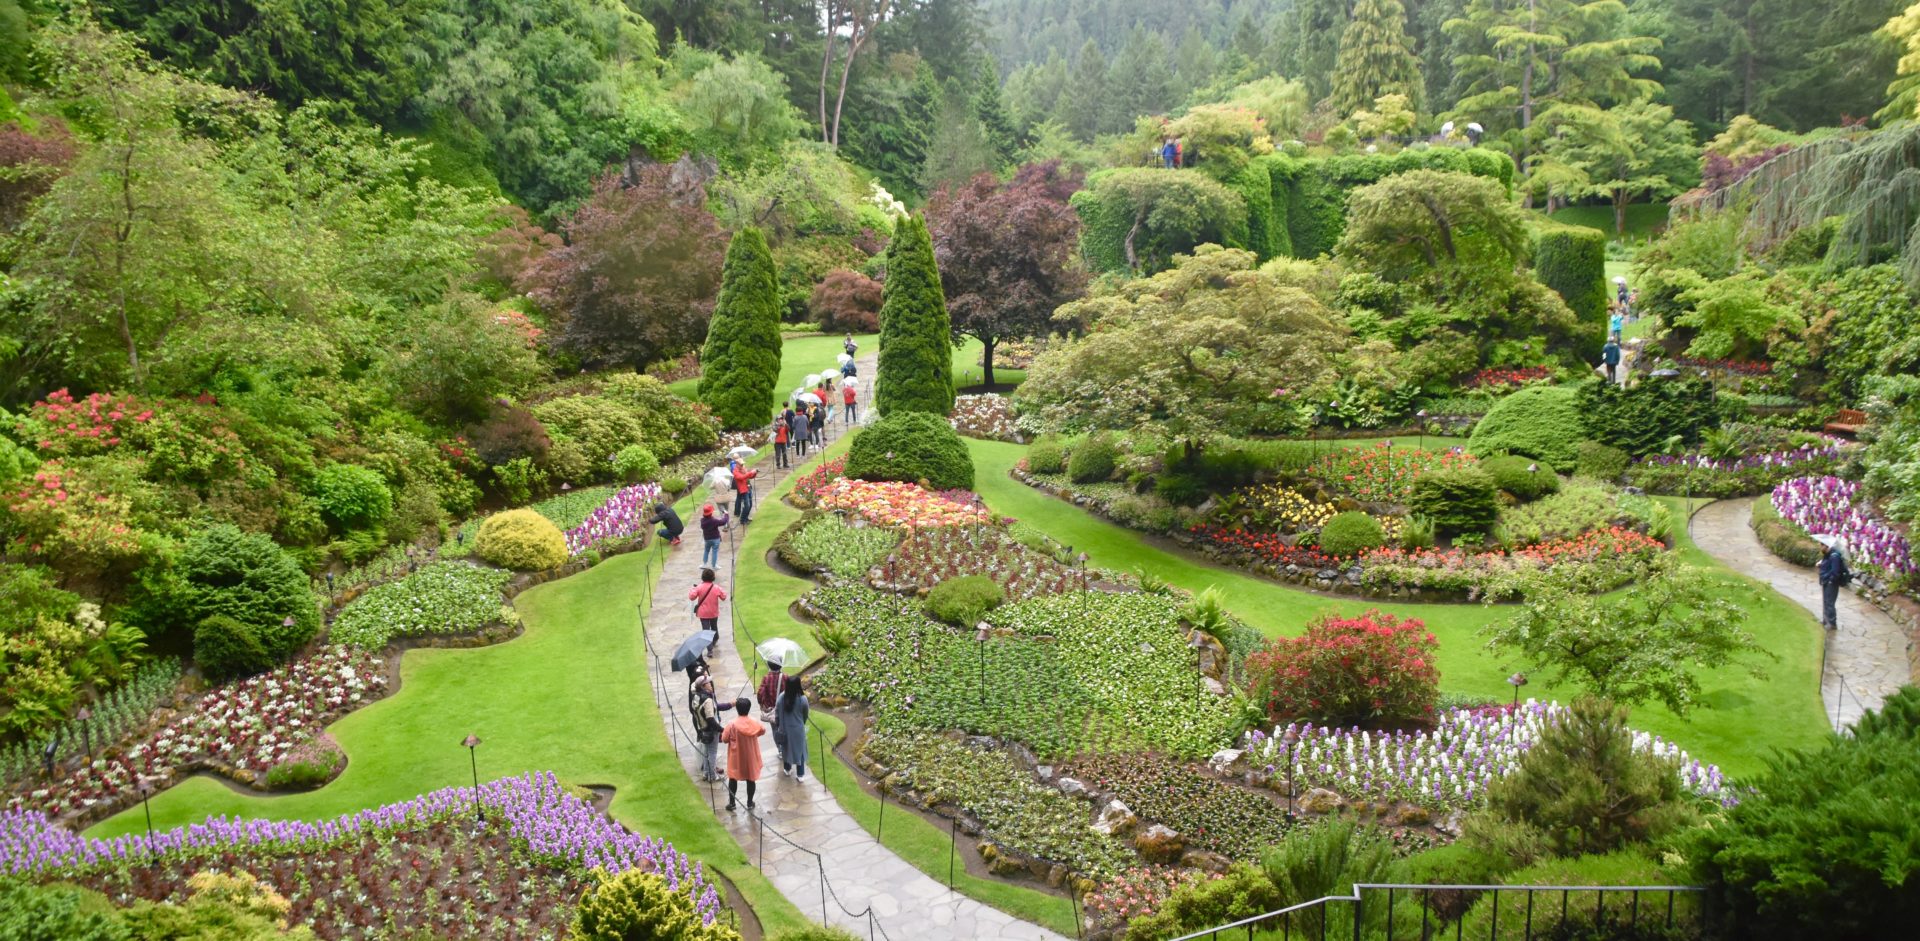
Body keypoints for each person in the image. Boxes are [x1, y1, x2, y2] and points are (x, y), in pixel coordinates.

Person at [721, 696, 765, 811]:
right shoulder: (754, 722)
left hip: (736, 757)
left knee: (733, 779)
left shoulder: (732, 724)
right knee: (751, 779)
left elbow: (724, 739)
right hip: (751, 756)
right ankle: (750, 803)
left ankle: (732, 803)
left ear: (737, 709)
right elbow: (762, 730)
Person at [775, 675, 811, 779]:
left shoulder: (781, 697)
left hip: (784, 729)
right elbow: (805, 714)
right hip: (798, 730)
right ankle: (800, 775)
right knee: (800, 751)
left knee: (786, 749)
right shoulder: (803, 699)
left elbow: (777, 713)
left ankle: (787, 769)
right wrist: (801, 723)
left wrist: (778, 724)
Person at [691, 674, 723, 781]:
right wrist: (721, 729)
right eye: (708, 683)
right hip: (710, 730)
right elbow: (710, 719)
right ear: (703, 686)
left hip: (702, 729)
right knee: (712, 753)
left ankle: (706, 773)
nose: (711, 684)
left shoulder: (696, 697)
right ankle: (712, 776)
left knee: (706, 752)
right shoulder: (707, 700)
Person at [757, 661, 786, 765]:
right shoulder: (785, 677)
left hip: (771, 709)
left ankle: (780, 750)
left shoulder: (766, 678)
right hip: (784, 709)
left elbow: (760, 693)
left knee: (775, 729)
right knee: (784, 728)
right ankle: (786, 748)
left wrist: (762, 704)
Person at [1818, 544, 1852, 631]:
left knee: (1830, 602)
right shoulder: (1827, 554)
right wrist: (1820, 564)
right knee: (1826, 601)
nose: (1820, 547)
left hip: (1831, 583)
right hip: (1826, 580)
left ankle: (1832, 623)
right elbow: (1827, 566)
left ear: (1826, 546)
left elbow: (1835, 572)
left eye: (1821, 545)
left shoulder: (1834, 556)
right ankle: (1825, 620)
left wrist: (1830, 581)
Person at [690, 567, 727, 633]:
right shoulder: (716, 587)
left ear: (702, 577)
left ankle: (707, 641)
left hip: (703, 613)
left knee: (705, 629)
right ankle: (715, 639)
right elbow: (723, 597)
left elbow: (692, 597)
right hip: (713, 612)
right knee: (714, 627)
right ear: (713, 578)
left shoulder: (699, 587)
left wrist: (693, 589)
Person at [698, 504, 729, 569]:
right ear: (711, 513)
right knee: (714, 552)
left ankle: (704, 564)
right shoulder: (714, 521)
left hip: (707, 539)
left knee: (706, 551)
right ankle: (714, 565)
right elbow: (723, 522)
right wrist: (726, 514)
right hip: (715, 539)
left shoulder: (702, 520)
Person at [731, 459, 757, 524]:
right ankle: (742, 520)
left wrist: (754, 473)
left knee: (750, 504)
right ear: (737, 464)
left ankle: (746, 518)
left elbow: (750, 476)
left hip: (748, 488)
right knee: (747, 505)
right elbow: (742, 477)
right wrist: (751, 472)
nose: (742, 465)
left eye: (743, 464)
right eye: (741, 464)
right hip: (743, 490)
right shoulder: (735, 471)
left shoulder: (743, 469)